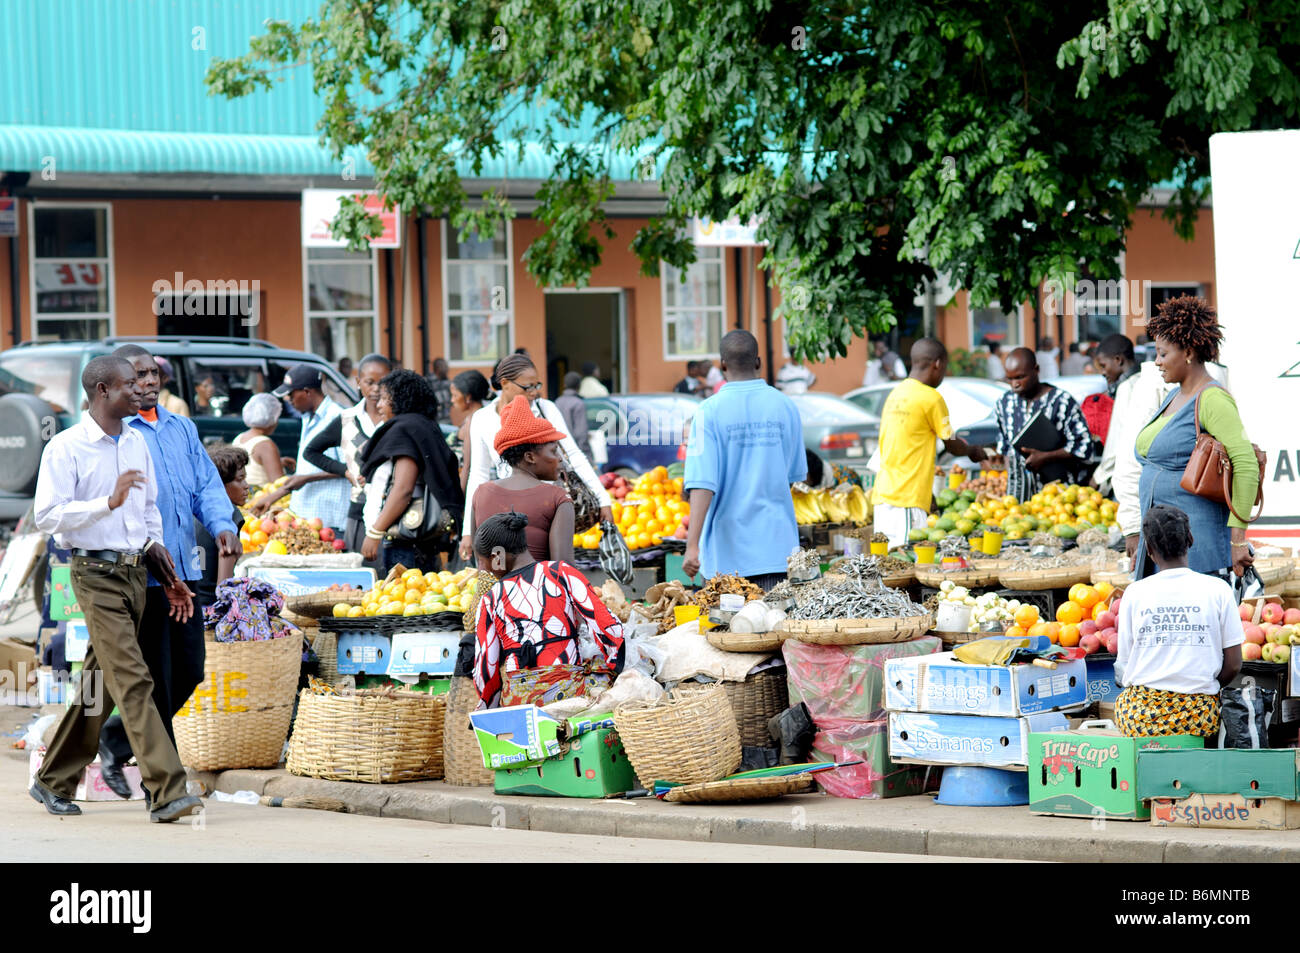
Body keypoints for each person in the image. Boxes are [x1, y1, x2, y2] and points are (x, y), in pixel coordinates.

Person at [31, 355, 202, 822]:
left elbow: (149, 513)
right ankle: (167, 791)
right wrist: (106, 502)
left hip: (135, 573)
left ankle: (52, 780)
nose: (142, 388)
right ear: (103, 390)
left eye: (144, 381)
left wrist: (165, 570)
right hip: (95, 574)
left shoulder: (134, 442)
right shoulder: (66, 447)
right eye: (130, 383)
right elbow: (47, 516)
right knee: (133, 678)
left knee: (100, 683)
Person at [95, 345, 241, 803]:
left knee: (190, 670)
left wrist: (222, 525)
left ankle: (115, 740)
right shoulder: (119, 435)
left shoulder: (182, 428)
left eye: (154, 374)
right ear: (120, 383)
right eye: (139, 375)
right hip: (143, 574)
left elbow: (206, 486)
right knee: (153, 676)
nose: (149, 382)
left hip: (185, 573)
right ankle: (164, 786)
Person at [1129, 296, 1259, 581]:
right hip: (1164, 547)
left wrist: (1238, 540)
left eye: (1163, 354)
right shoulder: (1176, 395)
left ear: (1188, 352)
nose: (1157, 362)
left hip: (1198, 549)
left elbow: (1246, 466)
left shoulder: (1212, 399)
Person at [683, 330, 806, 589]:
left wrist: (692, 545)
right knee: (776, 617)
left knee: (724, 618)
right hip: (778, 553)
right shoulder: (785, 407)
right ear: (758, 362)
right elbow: (793, 475)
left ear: (723, 365)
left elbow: (702, 484)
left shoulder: (707, 412)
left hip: (726, 560)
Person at [460, 353, 612, 561]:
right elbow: (478, 474)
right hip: (506, 511)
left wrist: (603, 499)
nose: (534, 392)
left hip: (546, 507)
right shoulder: (482, 419)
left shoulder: (546, 409)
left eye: (536, 385)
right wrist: (467, 532)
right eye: (527, 387)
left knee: (552, 565)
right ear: (504, 383)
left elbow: (574, 454)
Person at [472, 512, 625, 709]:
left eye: (482, 561)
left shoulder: (490, 599)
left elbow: (485, 667)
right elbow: (607, 626)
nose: (483, 569)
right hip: (569, 695)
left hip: (519, 702)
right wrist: (616, 668)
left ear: (497, 557)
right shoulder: (561, 573)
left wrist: (490, 707)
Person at [1114, 505, 1242, 738]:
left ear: (1148, 549)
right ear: (1190, 539)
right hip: (1198, 717)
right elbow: (1233, 665)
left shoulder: (1134, 593)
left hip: (1142, 720)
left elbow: (1124, 664)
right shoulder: (1218, 589)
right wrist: (1201, 688)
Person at [871, 338, 990, 548]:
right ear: (937, 364)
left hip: (883, 496)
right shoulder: (931, 398)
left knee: (887, 563)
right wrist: (973, 451)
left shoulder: (896, 393)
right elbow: (951, 444)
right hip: (905, 500)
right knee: (907, 560)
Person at [358, 370, 465, 574]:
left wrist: (374, 533)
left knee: (403, 593)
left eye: (384, 398)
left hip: (405, 542)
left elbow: (403, 489)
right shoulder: (423, 425)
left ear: (400, 400)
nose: (378, 405)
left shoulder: (405, 429)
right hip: (422, 541)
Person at [302, 353, 391, 559]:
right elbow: (311, 451)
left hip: (396, 512)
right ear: (359, 382)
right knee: (362, 571)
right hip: (359, 512)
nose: (376, 389)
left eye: (383, 382)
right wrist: (345, 471)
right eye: (370, 382)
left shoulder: (397, 419)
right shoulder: (347, 420)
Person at [469, 396, 575, 563]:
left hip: (491, 581)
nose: (560, 458)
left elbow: (481, 561)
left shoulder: (481, 493)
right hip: (538, 581)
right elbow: (563, 569)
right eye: (554, 451)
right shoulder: (557, 498)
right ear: (530, 457)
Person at [253, 364, 351, 532]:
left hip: (330, 517)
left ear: (307, 392)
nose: (288, 399)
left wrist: (306, 478)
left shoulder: (338, 417)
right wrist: (276, 495)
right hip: (307, 515)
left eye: (291, 394)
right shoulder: (307, 417)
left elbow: (350, 469)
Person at [985, 348, 1093, 501]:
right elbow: (1005, 448)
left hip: (1059, 496)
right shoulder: (1004, 403)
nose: (1015, 384)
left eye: (1020, 377)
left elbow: (1084, 446)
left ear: (1036, 370)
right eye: (1010, 379)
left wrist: (1046, 457)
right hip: (1018, 498)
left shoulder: (1062, 401)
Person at [193, 444, 250, 609]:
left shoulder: (193, 510)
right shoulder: (228, 515)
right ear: (218, 485)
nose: (246, 485)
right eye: (239, 479)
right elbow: (223, 587)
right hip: (209, 605)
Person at [1087, 334, 1140, 494]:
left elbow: (1117, 440)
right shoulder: (1146, 381)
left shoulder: (1127, 388)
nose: (1103, 372)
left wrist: (1098, 476)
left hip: (1129, 478)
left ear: (1118, 360)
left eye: (1103, 366)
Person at [234, 392, 285, 489]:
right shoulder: (265, 444)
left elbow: (253, 466)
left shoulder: (240, 437)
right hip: (261, 495)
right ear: (273, 419)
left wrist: (279, 462)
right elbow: (278, 484)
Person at [451, 370, 491, 490]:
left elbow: (467, 467)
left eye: (455, 395)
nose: (452, 400)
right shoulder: (480, 416)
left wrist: (461, 497)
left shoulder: (473, 422)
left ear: (468, 397)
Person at [553, 371, 591, 458]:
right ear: (579, 386)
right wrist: (586, 456)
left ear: (564, 385)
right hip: (575, 451)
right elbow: (581, 434)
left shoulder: (557, 402)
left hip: (560, 450)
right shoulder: (578, 403)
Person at [429, 357, 454, 425]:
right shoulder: (429, 382)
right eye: (443, 366)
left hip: (446, 420)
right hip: (435, 421)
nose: (446, 369)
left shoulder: (448, 383)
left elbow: (452, 401)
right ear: (436, 368)